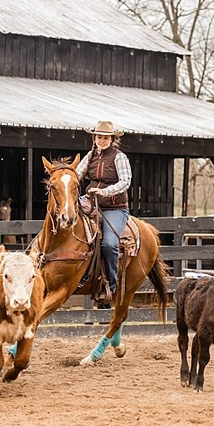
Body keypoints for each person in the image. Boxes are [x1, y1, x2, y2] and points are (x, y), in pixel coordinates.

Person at [76, 120, 132, 303]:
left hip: (114, 208)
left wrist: (104, 192)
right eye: (99, 137)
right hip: (91, 203)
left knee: (109, 243)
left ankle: (111, 284)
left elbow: (125, 181)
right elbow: (77, 174)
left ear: (112, 139)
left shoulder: (119, 157)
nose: (102, 140)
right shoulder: (90, 156)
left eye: (105, 137)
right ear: (95, 138)